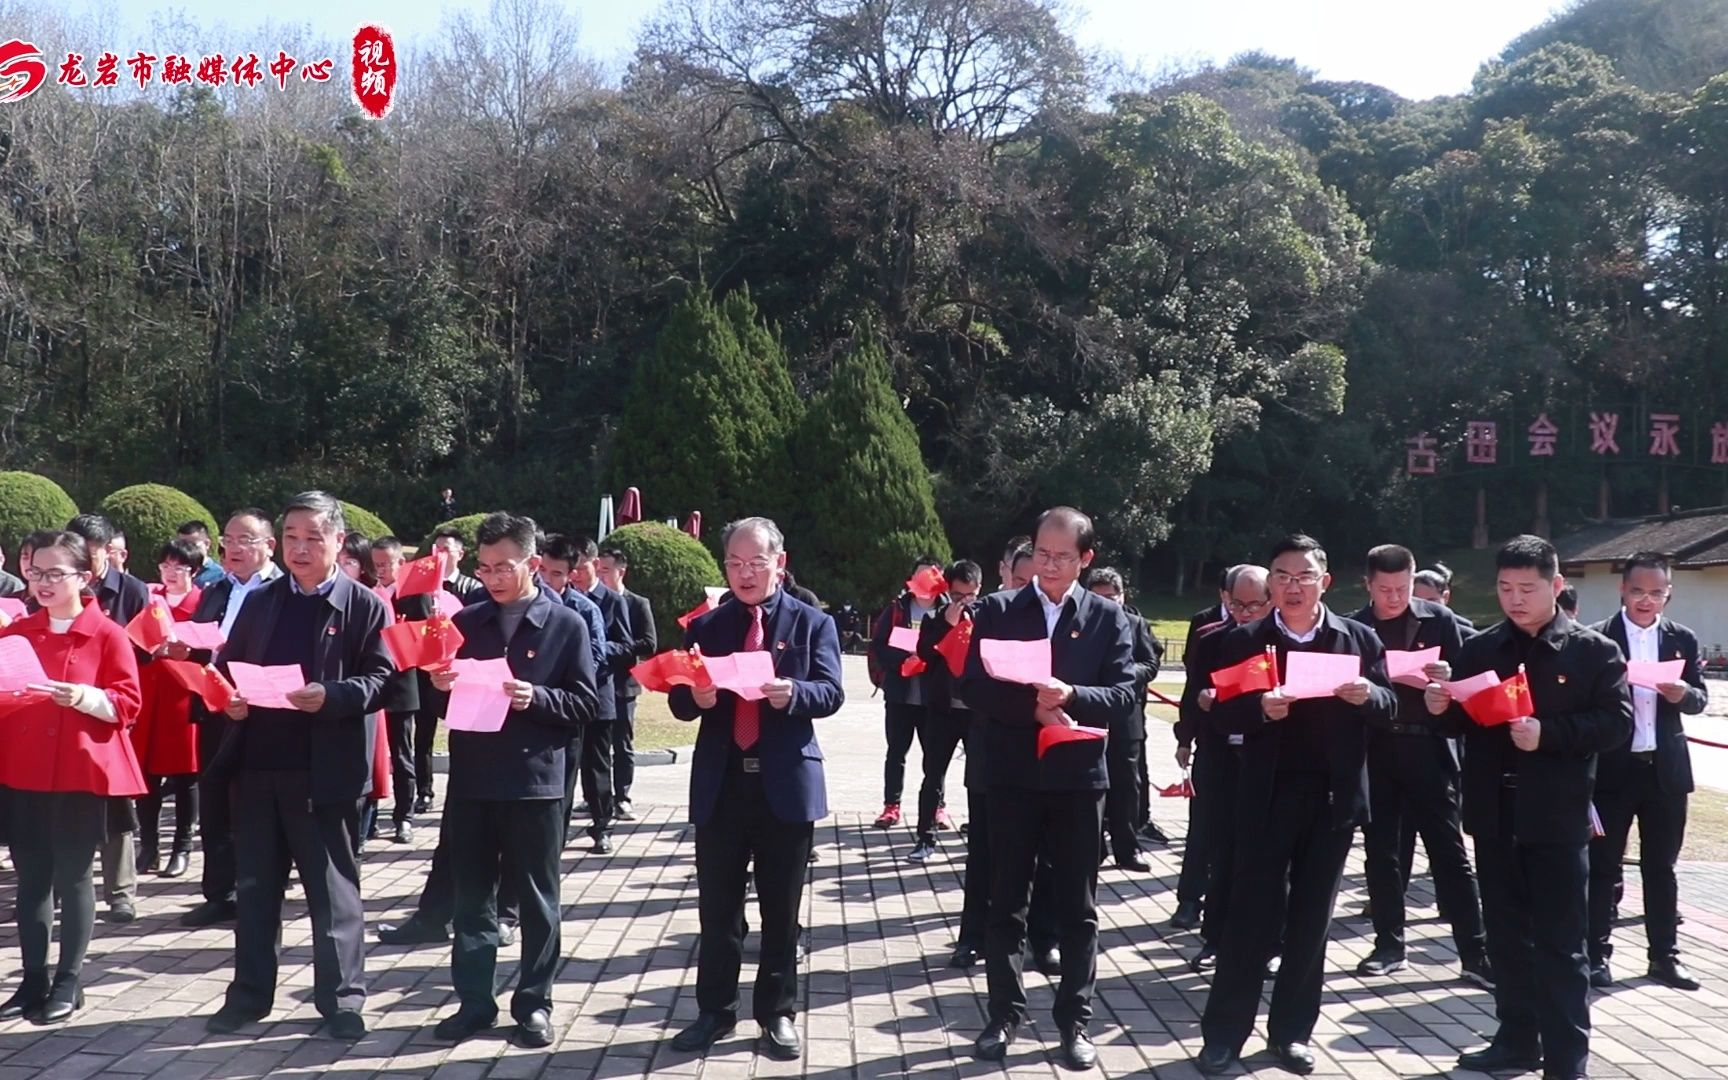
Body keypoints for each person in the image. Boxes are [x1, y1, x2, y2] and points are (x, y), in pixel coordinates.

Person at [1425, 535, 1630, 1080]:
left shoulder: (1594, 651)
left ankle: (1566, 1061)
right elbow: (1459, 723)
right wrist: (1441, 707)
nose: (1515, 599)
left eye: (1528, 588)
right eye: (1505, 588)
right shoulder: (1480, 648)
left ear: (1557, 587)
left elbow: (1617, 725)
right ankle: (1516, 1040)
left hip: (1557, 818)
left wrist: (1551, 734)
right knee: (1507, 938)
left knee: (1563, 946)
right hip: (1493, 815)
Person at [1196, 535, 1394, 1077]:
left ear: (1324, 582)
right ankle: (1223, 1036)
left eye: (1303, 576)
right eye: (1282, 576)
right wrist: (1258, 710)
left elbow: (1389, 703)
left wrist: (1367, 694)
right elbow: (1221, 716)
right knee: (1248, 919)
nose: (1293, 586)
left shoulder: (1355, 639)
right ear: (1270, 584)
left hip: (1332, 799)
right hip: (1264, 796)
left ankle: (1291, 1033)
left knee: (1311, 922)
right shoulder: (1244, 641)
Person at [203, 492, 393, 1040]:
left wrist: (331, 695)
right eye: (291, 536)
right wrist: (231, 698)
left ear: (338, 540)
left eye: (313, 537)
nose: (300, 547)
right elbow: (227, 667)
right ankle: (248, 996)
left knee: (332, 891)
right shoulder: (262, 601)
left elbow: (382, 680)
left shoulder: (364, 605)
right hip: (259, 764)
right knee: (257, 887)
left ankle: (342, 999)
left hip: (325, 769)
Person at [964, 507, 1137, 1071]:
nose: (1051, 565)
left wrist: (1071, 695)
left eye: (1064, 557)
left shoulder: (1110, 618)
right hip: (1011, 776)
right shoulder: (997, 609)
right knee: (1005, 903)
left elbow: (1122, 693)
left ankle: (1074, 1022)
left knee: (1078, 909)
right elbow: (975, 685)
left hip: (1078, 779)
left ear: (1086, 560)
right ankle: (1002, 1015)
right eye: (1042, 553)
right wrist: (1032, 707)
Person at [669, 517, 844, 1061]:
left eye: (756, 563)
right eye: (734, 564)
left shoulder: (813, 622)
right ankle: (714, 1011)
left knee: (780, 910)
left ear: (780, 564)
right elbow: (679, 699)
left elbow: (832, 691)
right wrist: (694, 699)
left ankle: (777, 1014)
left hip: (784, 785)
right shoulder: (707, 627)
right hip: (723, 785)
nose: (745, 574)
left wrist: (793, 692)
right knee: (717, 909)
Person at [428, 513, 598, 1047]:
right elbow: (441, 704)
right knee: (472, 899)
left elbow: (587, 702)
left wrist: (536, 696)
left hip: (534, 782)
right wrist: (438, 683)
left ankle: (534, 1002)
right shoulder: (469, 622)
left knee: (537, 900)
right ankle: (474, 1002)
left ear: (531, 562)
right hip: (474, 779)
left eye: (505, 567)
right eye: (485, 568)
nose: (494, 578)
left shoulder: (565, 623)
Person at [0, 530, 146, 1024]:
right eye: (35, 572)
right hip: (23, 768)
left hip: (81, 770)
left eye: (55, 573)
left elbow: (128, 705)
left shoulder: (107, 634)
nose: (42, 582)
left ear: (84, 578)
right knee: (32, 878)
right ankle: (33, 979)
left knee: (74, 875)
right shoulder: (15, 634)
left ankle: (69, 979)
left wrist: (82, 697)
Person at [1347, 544, 1491, 987]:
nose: (1395, 597)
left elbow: (1468, 676)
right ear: (1368, 584)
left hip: (1430, 748)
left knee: (1449, 853)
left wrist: (1447, 673)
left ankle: (1475, 951)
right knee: (1383, 853)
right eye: (1385, 589)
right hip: (1378, 750)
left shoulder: (1440, 620)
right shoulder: (1355, 627)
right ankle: (1389, 944)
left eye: (1404, 588)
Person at [1587, 552, 1707, 991]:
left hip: (1664, 770)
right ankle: (1596, 955)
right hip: (1613, 771)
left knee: (1661, 868)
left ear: (1668, 593)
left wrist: (1682, 694)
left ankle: (1664, 957)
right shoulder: (1598, 639)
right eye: (1638, 591)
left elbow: (1700, 698)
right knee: (1603, 867)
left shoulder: (1682, 639)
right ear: (1622, 589)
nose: (1647, 600)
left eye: (1657, 593)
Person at [176, 508, 282, 928]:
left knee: (256, 802)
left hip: (261, 708)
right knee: (216, 799)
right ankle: (220, 892)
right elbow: (205, 646)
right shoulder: (215, 590)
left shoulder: (282, 590)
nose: (233, 548)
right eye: (228, 540)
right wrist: (188, 650)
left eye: (245, 540)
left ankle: (259, 889)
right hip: (215, 703)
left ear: (269, 546)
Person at [1170, 566, 1270, 966]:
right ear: (1225, 598)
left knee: (1262, 850)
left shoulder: (1278, 643)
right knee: (1212, 836)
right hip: (1217, 753)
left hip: (1263, 757)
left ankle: (1265, 942)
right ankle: (1208, 926)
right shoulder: (1210, 638)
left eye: (1254, 605)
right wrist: (1187, 732)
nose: (1244, 613)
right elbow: (1193, 691)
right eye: (1237, 604)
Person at [65, 513, 148, 924]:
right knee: (64, 807)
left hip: (113, 713)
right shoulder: (55, 591)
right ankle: (68, 887)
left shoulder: (131, 590)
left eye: (91, 553)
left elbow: (147, 652)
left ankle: (121, 893)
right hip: (65, 716)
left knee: (117, 812)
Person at [133, 539, 206, 878]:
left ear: (195, 571)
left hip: (184, 694)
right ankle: (148, 846)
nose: (171, 573)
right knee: (147, 772)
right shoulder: (150, 600)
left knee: (184, 772)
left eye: (180, 567)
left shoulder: (203, 602)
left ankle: (182, 846)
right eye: (166, 566)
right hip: (150, 694)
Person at [1086, 567, 1163, 871]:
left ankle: (1127, 848)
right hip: (1089, 715)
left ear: (1122, 596)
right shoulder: (1079, 623)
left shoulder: (1135, 623)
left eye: (1111, 596)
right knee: (1091, 785)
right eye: (1098, 596)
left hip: (1126, 717)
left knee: (1127, 785)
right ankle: (1093, 847)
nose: (1106, 602)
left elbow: (1151, 662)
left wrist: (1126, 676)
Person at [869, 557, 947, 832]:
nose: (926, 580)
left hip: (933, 696)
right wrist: (902, 660)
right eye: (920, 574)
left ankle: (938, 807)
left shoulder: (946, 610)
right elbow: (878, 645)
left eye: (931, 574)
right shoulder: (897, 609)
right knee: (896, 752)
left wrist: (929, 657)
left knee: (935, 755)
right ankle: (892, 806)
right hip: (900, 694)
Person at [414, 527, 487, 814]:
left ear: (461, 554)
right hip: (427, 670)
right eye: (436, 548)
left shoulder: (473, 589)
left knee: (463, 734)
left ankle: (464, 791)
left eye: (446, 549)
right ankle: (424, 791)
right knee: (422, 735)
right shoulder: (421, 588)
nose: (440, 554)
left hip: (462, 672)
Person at [569, 536, 634, 852]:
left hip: (599, 693)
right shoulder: (563, 599)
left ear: (595, 565)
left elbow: (627, 646)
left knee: (597, 766)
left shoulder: (612, 601)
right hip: (566, 696)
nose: (576, 575)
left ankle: (602, 825)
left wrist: (592, 648)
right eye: (572, 569)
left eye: (581, 568)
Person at [371, 536, 431, 843]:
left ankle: (403, 816)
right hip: (372, 685)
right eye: (376, 564)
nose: (380, 570)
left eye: (386, 564)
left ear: (400, 563)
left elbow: (425, 640)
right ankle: (368, 817)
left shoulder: (414, 596)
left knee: (402, 753)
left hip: (402, 685)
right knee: (371, 752)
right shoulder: (368, 595)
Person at [597, 546, 657, 819]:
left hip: (624, 684)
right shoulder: (595, 601)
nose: (601, 575)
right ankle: (597, 797)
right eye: (598, 570)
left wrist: (615, 647)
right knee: (597, 745)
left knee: (622, 744)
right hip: (598, 683)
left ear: (621, 572)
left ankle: (622, 797)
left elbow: (649, 643)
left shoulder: (636, 603)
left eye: (606, 571)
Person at [177, 520, 227, 588]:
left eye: (193, 545)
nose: (187, 550)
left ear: (207, 544)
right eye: (182, 545)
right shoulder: (174, 572)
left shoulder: (219, 575)